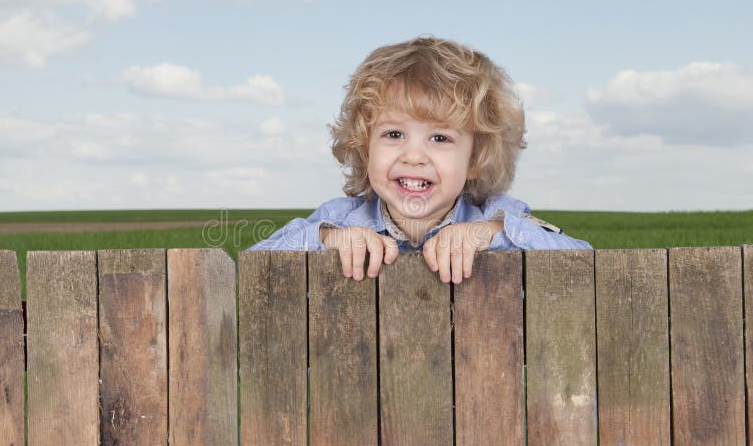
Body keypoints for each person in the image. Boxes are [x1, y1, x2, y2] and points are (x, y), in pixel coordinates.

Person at [248, 36, 590, 283]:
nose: (413, 156)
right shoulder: (341, 219)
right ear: (365, 148)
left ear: (476, 157)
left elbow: (582, 260)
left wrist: (491, 234)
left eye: (440, 138)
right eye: (394, 135)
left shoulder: (496, 218)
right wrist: (328, 240)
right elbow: (254, 264)